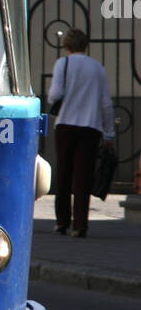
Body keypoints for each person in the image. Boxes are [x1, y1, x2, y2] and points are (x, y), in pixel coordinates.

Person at [47, 28, 115, 237]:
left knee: (64, 173)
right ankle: (80, 225)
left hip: (66, 124)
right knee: (83, 176)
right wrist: (109, 133)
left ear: (66, 45)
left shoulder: (63, 64)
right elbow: (105, 103)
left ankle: (62, 222)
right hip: (91, 126)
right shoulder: (97, 68)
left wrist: (54, 100)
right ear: (85, 45)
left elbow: (55, 94)